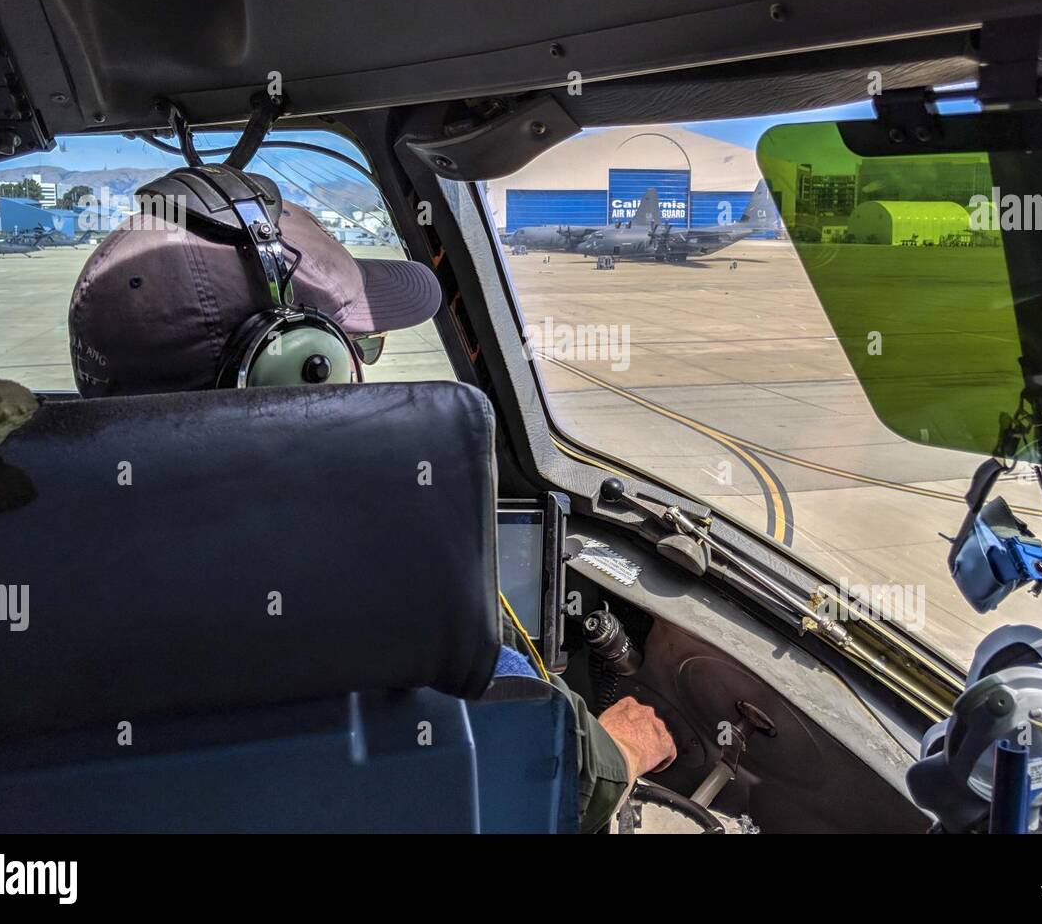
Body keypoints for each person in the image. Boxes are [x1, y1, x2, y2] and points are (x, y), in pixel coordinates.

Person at [68, 193, 675, 832]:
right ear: (306, 372)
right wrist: (624, 748)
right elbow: (555, 775)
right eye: (358, 348)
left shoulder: (27, 574)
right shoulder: (395, 606)